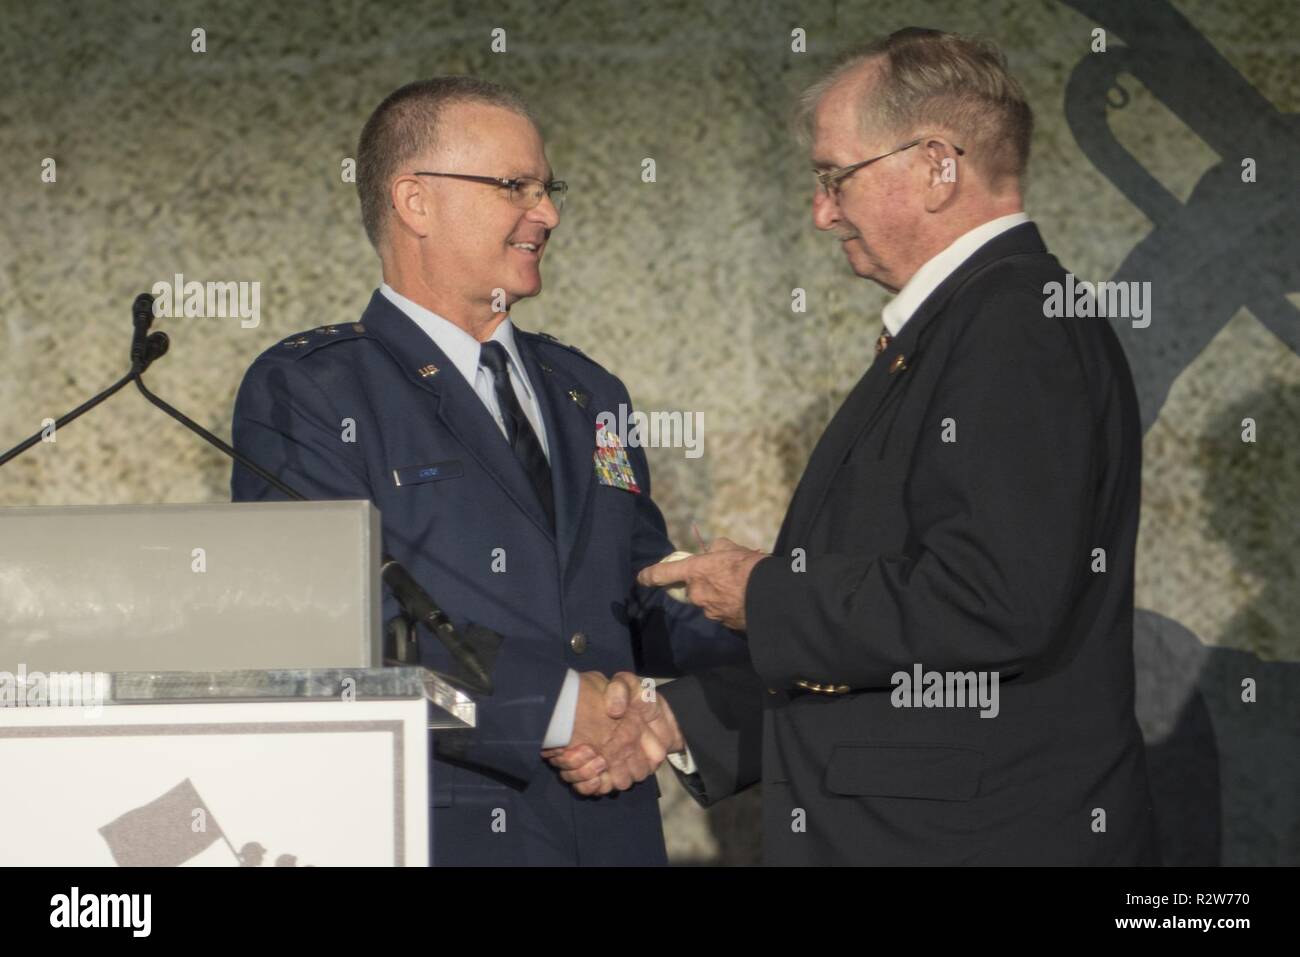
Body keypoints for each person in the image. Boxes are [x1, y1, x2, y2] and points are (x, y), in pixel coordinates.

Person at [550, 28, 1159, 866]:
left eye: (836, 176)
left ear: (938, 166)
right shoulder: (979, 321)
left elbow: (990, 603)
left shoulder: (1012, 327)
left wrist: (764, 592)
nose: (821, 210)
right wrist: (681, 719)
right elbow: (910, 646)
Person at [230, 76, 746, 866]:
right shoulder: (313, 387)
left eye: (548, 188)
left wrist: (782, 628)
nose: (548, 213)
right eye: (516, 186)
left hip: (615, 832)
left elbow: (636, 596)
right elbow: (322, 628)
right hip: (443, 830)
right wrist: (555, 704)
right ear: (415, 201)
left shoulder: (589, 391)